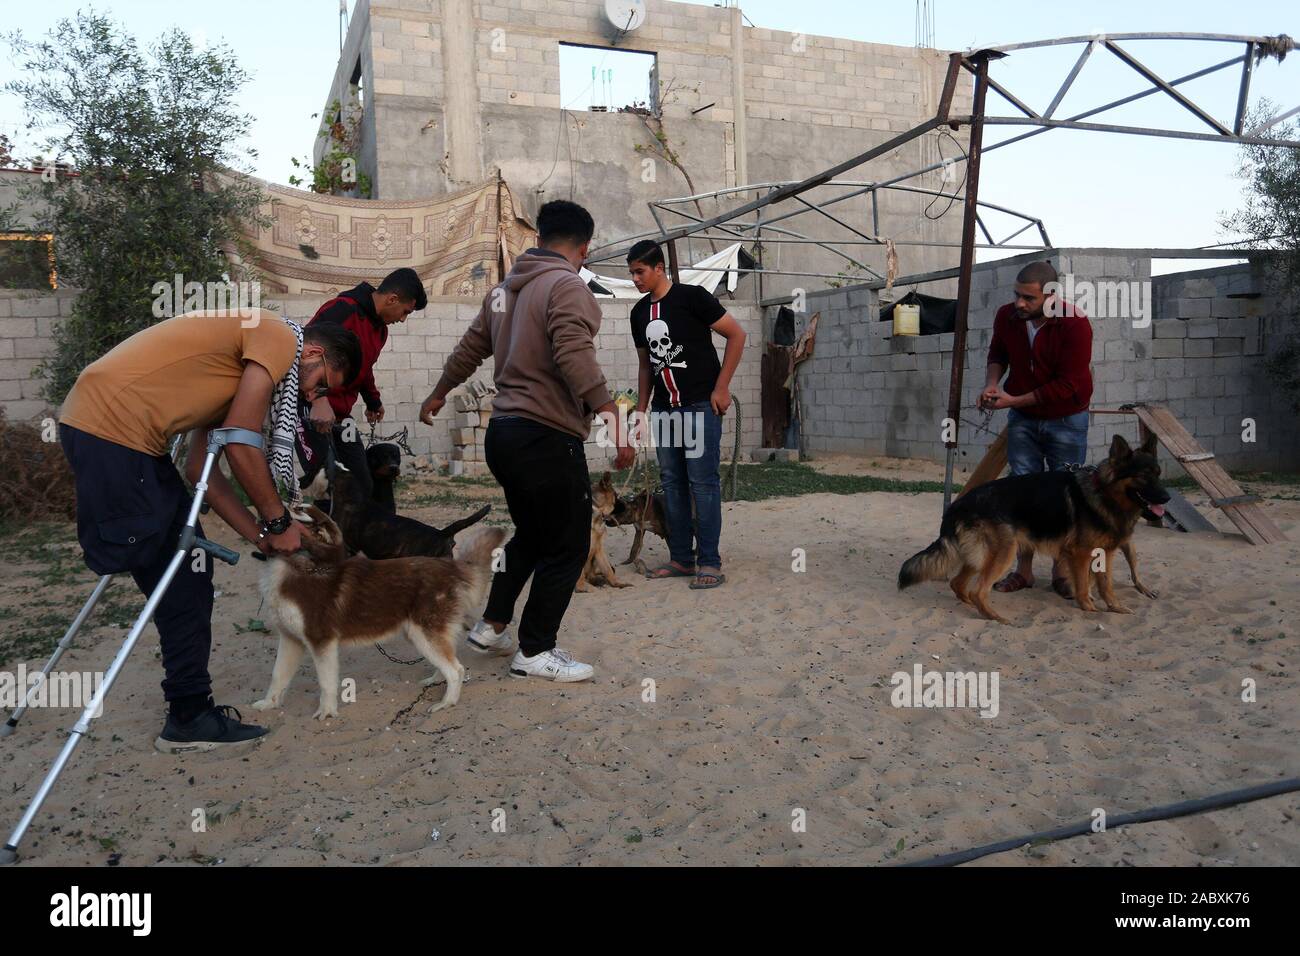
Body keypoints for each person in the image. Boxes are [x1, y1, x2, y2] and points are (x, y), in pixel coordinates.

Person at [59, 309, 360, 752]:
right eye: (319, 384)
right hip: (116, 434)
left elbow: (202, 469)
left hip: (113, 434)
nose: (309, 396)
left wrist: (263, 539)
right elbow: (240, 444)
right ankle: (187, 717)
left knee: (190, 572)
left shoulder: (233, 372)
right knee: (181, 583)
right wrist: (278, 522)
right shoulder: (279, 337)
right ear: (312, 352)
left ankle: (189, 710)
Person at [419, 200, 633, 682]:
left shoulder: (502, 292)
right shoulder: (567, 286)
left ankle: (492, 626)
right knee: (569, 544)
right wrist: (611, 417)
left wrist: (438, 393)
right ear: (583, 248)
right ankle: (535, 651)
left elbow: (470, 348)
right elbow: (573, 353)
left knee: (534, 535)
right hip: (546, 437)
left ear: (538, 240)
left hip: (505, 434)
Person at [626, 239, 747, 590]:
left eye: (640, 271)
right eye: (631, 273)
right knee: (673, 483)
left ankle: (709, 561)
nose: (635, 279)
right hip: (665, 411)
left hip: (699, 407)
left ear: (659, 268)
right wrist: (641, 410)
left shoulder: (693, 297)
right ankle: (681, 558)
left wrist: (721, 388)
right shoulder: (638, 314)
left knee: (703, 484)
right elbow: (646, 366)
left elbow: (737, 336)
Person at [980, 260, 1093, 598]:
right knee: (1022, 491)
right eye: (1017, 295)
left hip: (1067, 417)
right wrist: (992, 386)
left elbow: (1068, 385)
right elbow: (998, 351)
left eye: (1028, 298)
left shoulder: (1075, 325)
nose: (1019, 304)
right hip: (1024, 420)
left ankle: (1061, 573)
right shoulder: (1007, 316)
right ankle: (1023, 571)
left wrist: (1011, 401)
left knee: (1065, 495)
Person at [298, 268, 427, 500]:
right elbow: (306, 352)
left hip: (341, 418)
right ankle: (315, 533)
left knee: (361, 484)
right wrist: (318, 399)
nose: (402, 319)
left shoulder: (381, 331)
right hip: (310, 411)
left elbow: (364, 368)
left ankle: (349, 536)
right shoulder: (342, 309)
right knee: (326, 486)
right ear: (392, 299)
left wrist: (373, 400)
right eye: (405, 312)